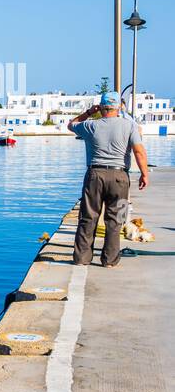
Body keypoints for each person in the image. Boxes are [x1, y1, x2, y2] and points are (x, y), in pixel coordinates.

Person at [69, 93, 150, 267]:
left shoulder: (90, 125)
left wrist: (90, 112)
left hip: (94, 176)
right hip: (120, 177)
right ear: (119, 107)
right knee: (116, 219)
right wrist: (144, 174)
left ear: (101, 107)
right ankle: (110, 260)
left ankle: (82, 258)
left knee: (88, 217)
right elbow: (139, 151)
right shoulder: (129, 126)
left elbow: (71, 124)